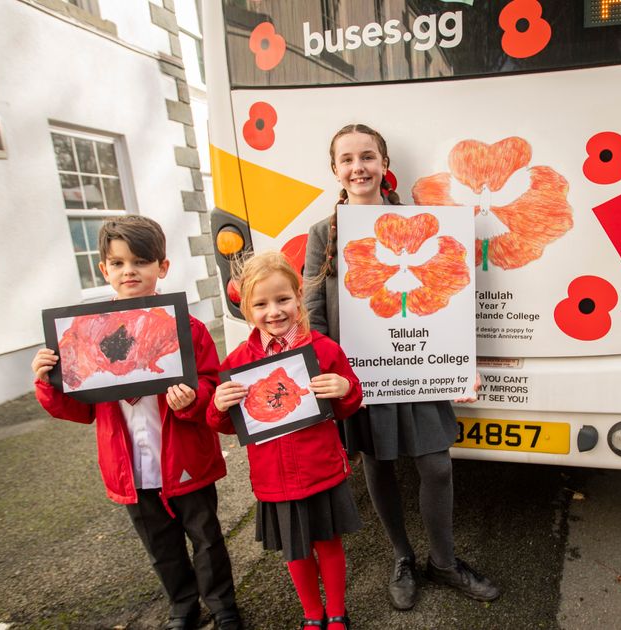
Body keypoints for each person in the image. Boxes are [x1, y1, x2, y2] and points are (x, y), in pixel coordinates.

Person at [302, 123, 500, 611]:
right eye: (347, 159)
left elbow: (453, 297)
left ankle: (444, 562)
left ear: (384, 164)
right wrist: (328, 372)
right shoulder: (323, 233)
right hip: (360, 377)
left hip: (419, 369)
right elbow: (314, 311)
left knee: (436, 466)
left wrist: (462, 364)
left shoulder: (422, 221)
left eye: (367, 156)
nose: (359, 167)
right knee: (379, 465)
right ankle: (403, 558)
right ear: (335, 170)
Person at [31, 216, 241, 630]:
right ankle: (183, 606)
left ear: (162, 267)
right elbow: (81, 409)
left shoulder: (188, 329)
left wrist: (192, 398)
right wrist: (47, 381)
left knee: (206, 538)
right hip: (130, 465)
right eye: (118, 263)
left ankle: (223, 607)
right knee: (160, 545)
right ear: (103, 270)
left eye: (141, 261)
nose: (130, 271)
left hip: (184, 458)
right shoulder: (85, 334)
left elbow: (212, 385)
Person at [210, 251, 363, 630]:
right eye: (261, 304)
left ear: (298, 296)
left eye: (282, 299)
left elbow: (347, 405)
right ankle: (312, 615)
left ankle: (337, 612)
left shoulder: (324, 349)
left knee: (328, 543)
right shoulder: (238, 363)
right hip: (275, 478)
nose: (274, 311)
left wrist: (346, 388)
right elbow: (228, 425)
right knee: (296, 553)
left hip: (320, 469)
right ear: (247, 309)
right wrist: (217, 405)